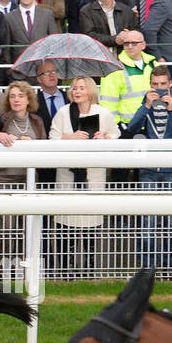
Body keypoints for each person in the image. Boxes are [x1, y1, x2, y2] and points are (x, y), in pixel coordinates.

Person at [124, 64, 172, 272]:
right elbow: (131, 129)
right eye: (155, 84)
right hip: (149, 170)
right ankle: (147, 266)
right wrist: (146, 106)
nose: (159, 88)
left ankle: (171, 267)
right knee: (147, 221)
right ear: (150, 85)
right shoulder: (146, 104)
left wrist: (171, 110)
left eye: (163, 84)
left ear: (170, 84)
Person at [48, 75, 116, 271]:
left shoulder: (103, 113)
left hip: (93, 175)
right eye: (75, 88)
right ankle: (65, 269)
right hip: (68, 174)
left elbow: (115, 134)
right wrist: (70, 137)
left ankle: (89, 267)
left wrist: (104, 136)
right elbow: (52, 137)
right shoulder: (63, 112)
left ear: (90, 91)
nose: (77, 91)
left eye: (81, 88)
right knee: (65, 222)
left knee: (90, 220)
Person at [0, 78, 49, 184]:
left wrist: (33, 144)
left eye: (21, 96)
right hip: (3, 178)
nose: (16, 100)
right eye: (12, 96)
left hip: (29, 176)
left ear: (28, 100)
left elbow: (45, 150)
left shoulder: (37, 121)